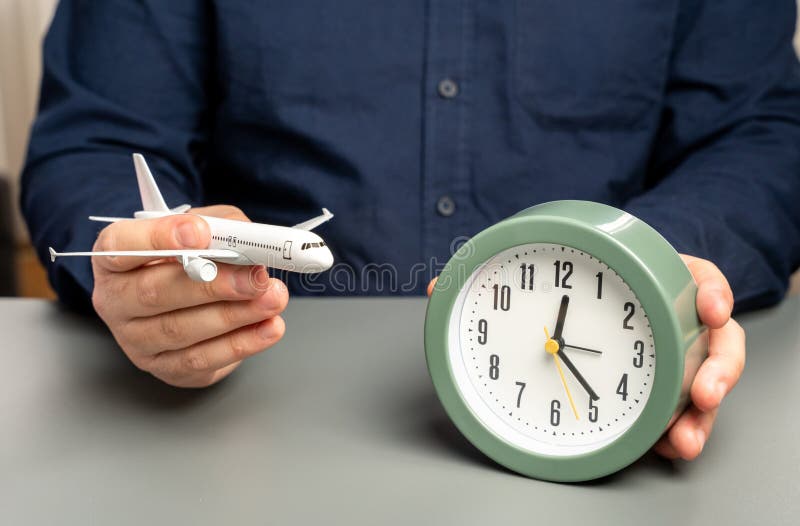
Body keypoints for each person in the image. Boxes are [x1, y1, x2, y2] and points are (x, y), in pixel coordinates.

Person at [21, 2, 800, 462]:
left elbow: (763, 131)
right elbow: (95, 141)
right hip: (257, 428)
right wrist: (145, 273)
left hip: (592, 416)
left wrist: (656, 267)